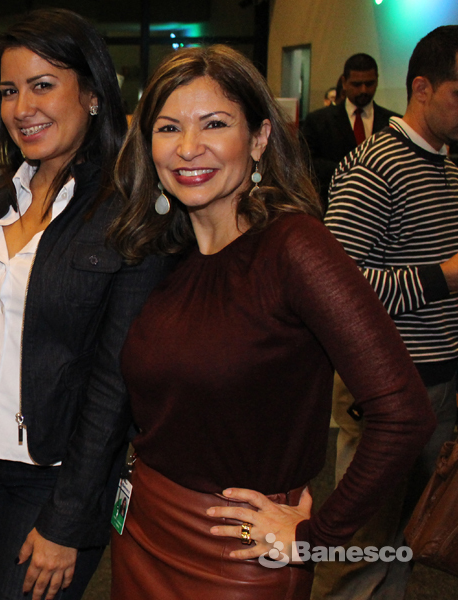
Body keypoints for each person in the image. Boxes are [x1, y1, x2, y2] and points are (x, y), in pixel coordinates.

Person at [107, 45, 435, 599]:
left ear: (259, 138)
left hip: (236, 554)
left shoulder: (294, 247)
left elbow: (403, 413)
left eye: (215, 123)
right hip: (141, 525)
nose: (189, 147)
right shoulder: (164, 252)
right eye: (168, 128)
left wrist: (318, 534)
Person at [0, 10, 170, 600]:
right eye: (9, 91)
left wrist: (69, 518)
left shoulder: (131, 212)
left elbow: (116, 385)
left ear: (92, 93)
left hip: (56, 479)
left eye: (43, 85)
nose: (22, 108)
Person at [313, 25, 458, 600]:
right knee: (359, 550)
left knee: (406, 542)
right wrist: (444, 277)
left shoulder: (449, 169)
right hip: (385, 383)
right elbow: (336, 289)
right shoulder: (373, 166)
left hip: (439, 379)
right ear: (422, 88)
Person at [301, 54, 399, 209]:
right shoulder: (318, 121)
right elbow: (306, 163)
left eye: (369, 84)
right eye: (357, 84)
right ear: (344, 83)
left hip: (380, 208)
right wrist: (352, 170)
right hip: (332, 205)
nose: (363, 90)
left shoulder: (393, 122)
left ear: (377, 80)